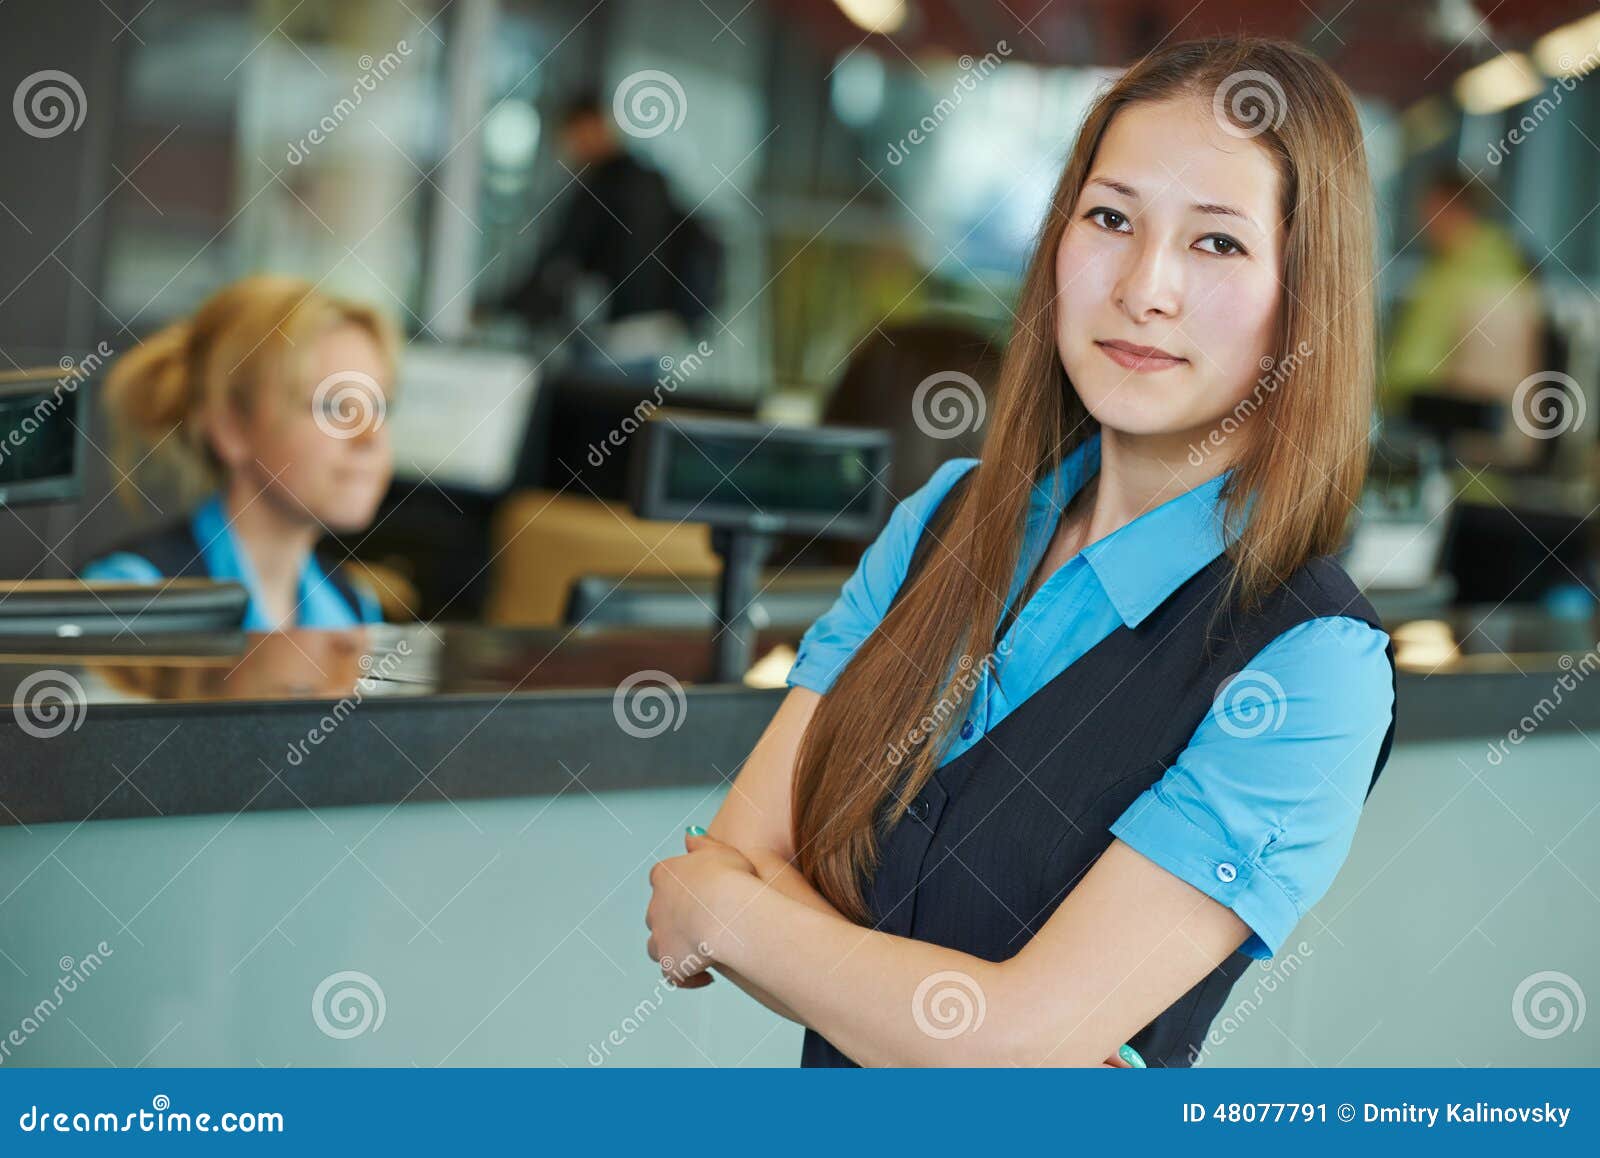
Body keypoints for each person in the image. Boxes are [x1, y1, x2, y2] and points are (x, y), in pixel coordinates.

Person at [644, 36, 1397, 1068]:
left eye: (1216, 244)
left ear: (1305, 299)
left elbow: (1003, 1046)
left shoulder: (1309, 664)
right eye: (1109, 218)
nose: (1144, 286)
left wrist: (733, 920)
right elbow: (741, 851)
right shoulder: (945, 523)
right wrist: (978, 1023)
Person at [80, 275, 398, 630]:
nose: (370, 436)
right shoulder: (132, 597)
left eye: (380, 406)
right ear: (231, 429)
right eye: (333, 407)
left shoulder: (355, 608)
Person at [497, 91, 721, 365]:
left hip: (613, 334)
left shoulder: (600, 187)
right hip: (655, 330)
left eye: (571, 136)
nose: (569, 147)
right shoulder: (652, 180)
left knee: (598, 402)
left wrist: (502, 306)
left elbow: (563, 259)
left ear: (590, 128)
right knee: (634, 403)